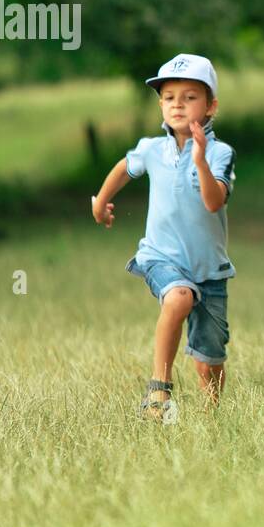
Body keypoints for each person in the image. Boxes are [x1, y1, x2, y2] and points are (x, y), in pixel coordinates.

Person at [91, 54, 236, 422]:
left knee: (209, 361)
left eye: (189, 97)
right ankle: (159, 390)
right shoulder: (151, 149)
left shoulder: (220, 153)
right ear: (160, 104)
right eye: (169, 97)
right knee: (178, 297)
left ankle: (212, 419)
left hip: (210, 268)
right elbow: (125, 168)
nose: (177, 104)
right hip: (161, 257)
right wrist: (102, 201)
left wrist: (200, 160)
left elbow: (212, 200)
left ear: (210, 106)